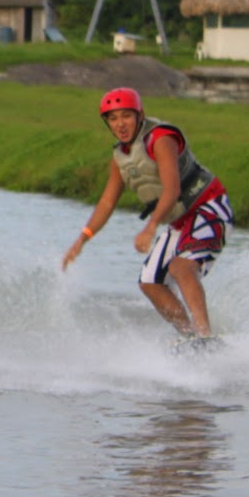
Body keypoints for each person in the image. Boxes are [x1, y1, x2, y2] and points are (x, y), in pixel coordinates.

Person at [60, 87, 233, 340]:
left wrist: (151, 226)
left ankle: (206, 338)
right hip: (178, 221)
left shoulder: (161, 139)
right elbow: (107, 202)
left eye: (126, 116)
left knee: (181, 267)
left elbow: (172, 189)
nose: (120, 124)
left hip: (209, 206)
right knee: (150, 283)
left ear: (140, 115)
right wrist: (82, 239)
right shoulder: (120, 156)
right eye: (113, 118)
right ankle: (189, 338)